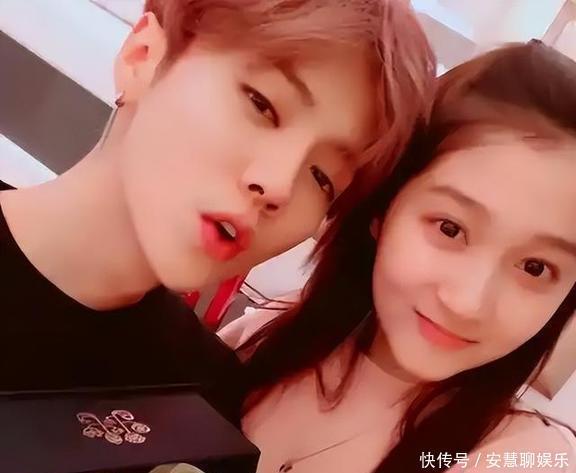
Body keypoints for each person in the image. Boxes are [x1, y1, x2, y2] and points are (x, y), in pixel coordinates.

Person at [0, 0, 434, 421]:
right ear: (142, 56)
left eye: (323, 178)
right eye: (261, 104)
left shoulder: (203, 408)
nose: (278, 185)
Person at [219, 40, 576, 470]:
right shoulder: (269, 333)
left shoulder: (523, 459)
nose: (468, 303)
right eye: (450, 228)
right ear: (383, 209)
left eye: (536, 268)